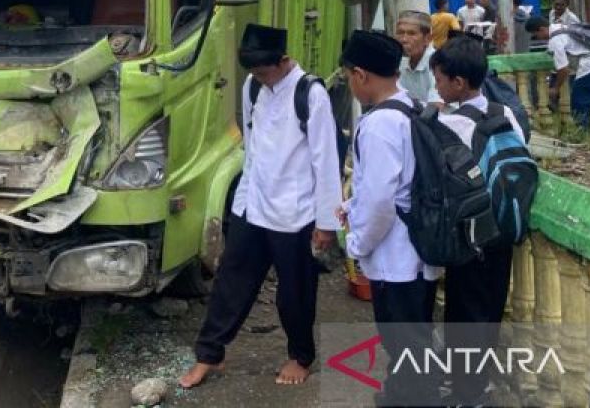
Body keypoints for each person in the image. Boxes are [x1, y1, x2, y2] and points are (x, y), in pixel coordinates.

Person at [179, 24, 342, 389]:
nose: (259, 78)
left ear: (284, 61)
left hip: (295, 213)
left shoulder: (310, 93)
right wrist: (242, 201)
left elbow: (326, 160)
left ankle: (301, 356)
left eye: (264, 71)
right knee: (230, 283)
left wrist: (326, 222)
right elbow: (251, 149)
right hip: (253, 206)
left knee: (294, 293)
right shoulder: (253, 86)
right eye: (253, 72)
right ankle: (210, 355)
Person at [340, 30, 440, 407]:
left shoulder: (380, 124)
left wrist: (357, 243)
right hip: (417, 254)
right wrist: (352, 208)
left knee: (405, 345)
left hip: (397, 259)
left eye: (349, 75)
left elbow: (381, 200)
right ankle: (399, 396)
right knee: (413, 341)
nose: (351, 83)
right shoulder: (411, 106)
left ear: (361, 75)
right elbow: (399, 184)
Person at [429, 36, 525, 405]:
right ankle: (479, 386)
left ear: (457, 83)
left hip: (469, 236)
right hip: (502, 229)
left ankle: (466, 394)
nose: (436, 86)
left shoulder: (450, 124)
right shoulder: (506, 113)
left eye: (439, 79)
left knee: (463, 316)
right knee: (489, 312)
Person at [525, 15, 590, 129]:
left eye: (536, 35)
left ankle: (582, 132)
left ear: (542, 29)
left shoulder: (555, 40)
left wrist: (556, 88)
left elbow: (563, 69)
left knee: (579, 102)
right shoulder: (561, 27)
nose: (538, 38)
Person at [396, 10, 441, 106]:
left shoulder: (439, 63)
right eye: (400, 33)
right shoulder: (400, 62)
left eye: (411, 33)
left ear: (427, 39)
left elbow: (435, 107)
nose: (404, 39)